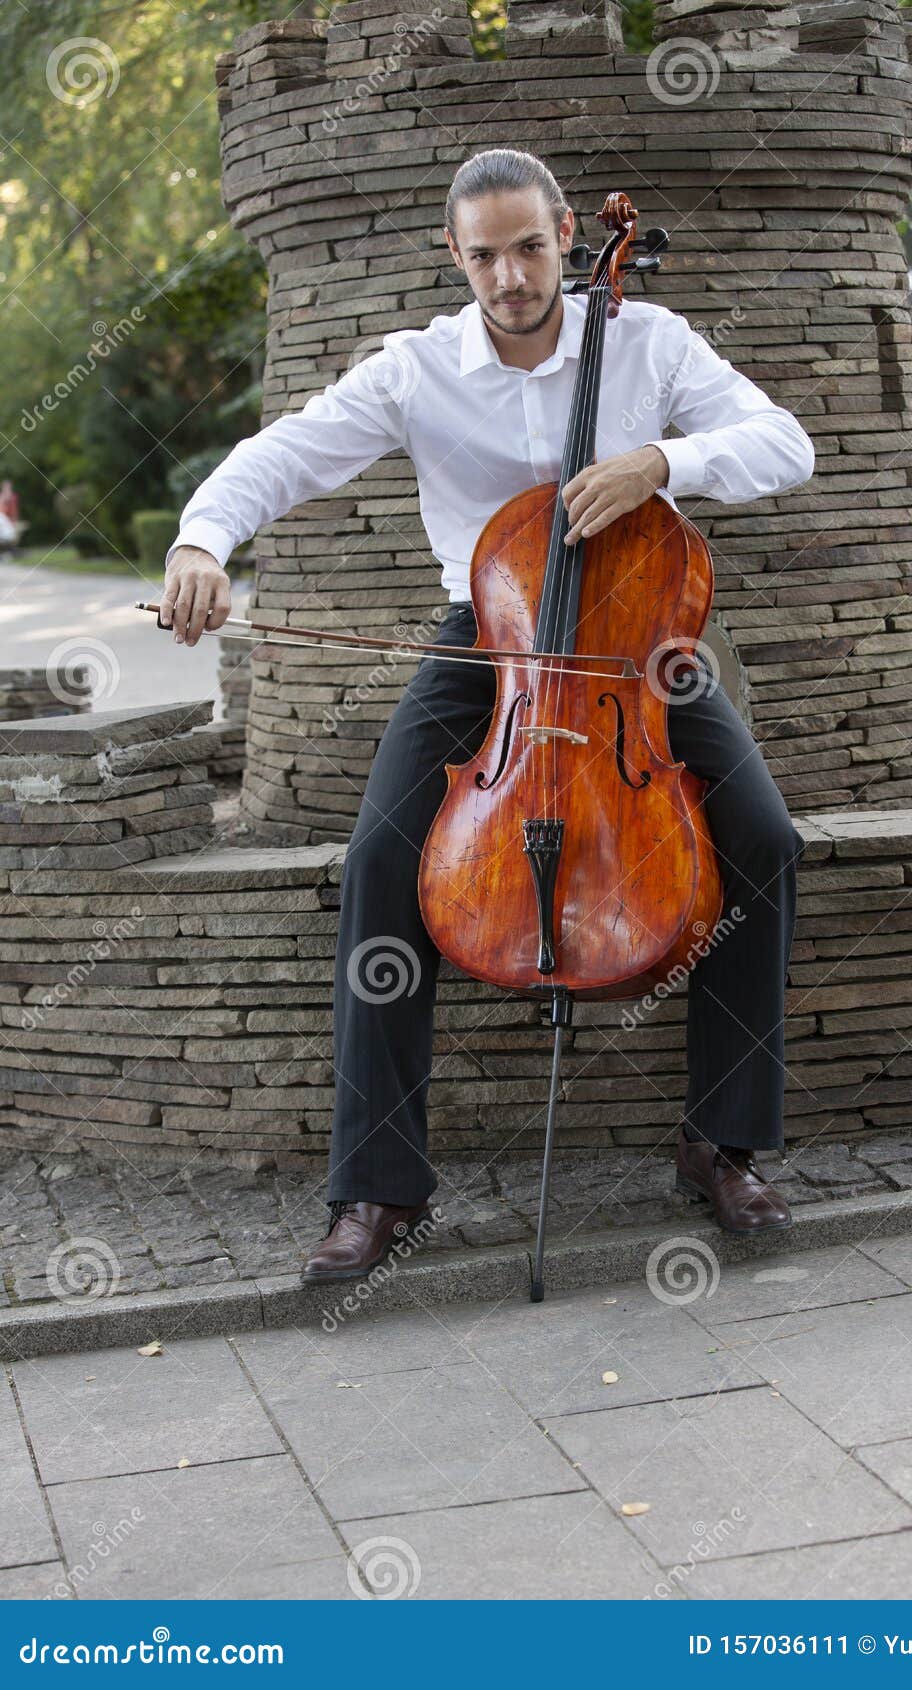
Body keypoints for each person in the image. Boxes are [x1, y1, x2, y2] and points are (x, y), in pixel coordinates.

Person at [162, 148, 816, 1284]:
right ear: (451, 256)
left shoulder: (647, 339)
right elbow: (282, 456)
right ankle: (378, 1185)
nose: (510, 276)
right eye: (484, 255)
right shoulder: (416, 368)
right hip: (492, 641)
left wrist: (660, 460)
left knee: (760, 841)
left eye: (527, 246)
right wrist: (199, 540)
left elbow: (784, 445)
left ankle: (721, 1139)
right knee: (380, 860)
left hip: (636, 651)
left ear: (566, 231)